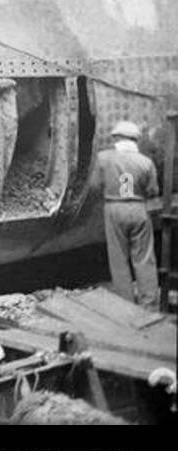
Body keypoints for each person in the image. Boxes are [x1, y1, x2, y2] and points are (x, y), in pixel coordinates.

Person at [95, 120, 160, 309]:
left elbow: (96, 186)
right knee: (144, 256)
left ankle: (126, 304)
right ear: (135, 140)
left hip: (113, 207)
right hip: (138, 208)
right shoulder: (145, 162)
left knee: (118, 258)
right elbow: (153, 190)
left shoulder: (102, 158)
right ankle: (149, 302)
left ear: (116, 138)